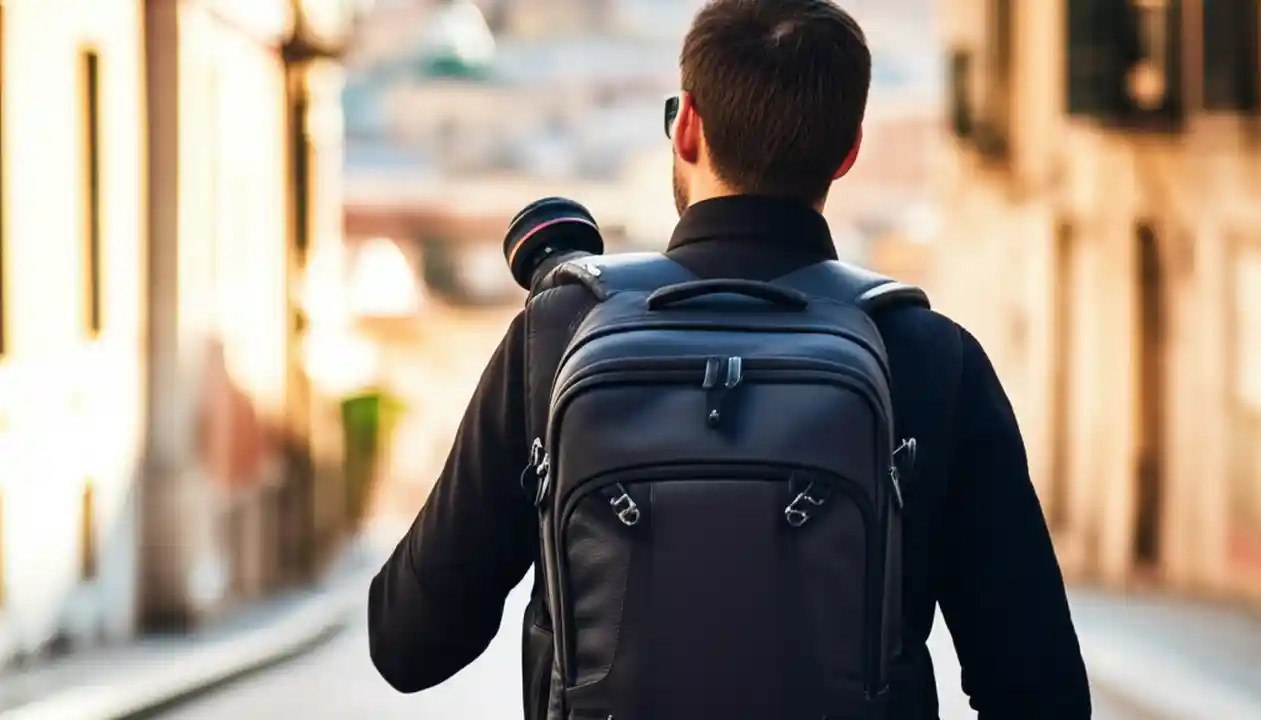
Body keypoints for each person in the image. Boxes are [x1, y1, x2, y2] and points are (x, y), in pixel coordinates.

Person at [368, 1, 1092, 718]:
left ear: (687, 125)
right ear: (849, 150)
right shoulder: (927, 353)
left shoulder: (558, 332)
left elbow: (409, 645)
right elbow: (1042, 693)